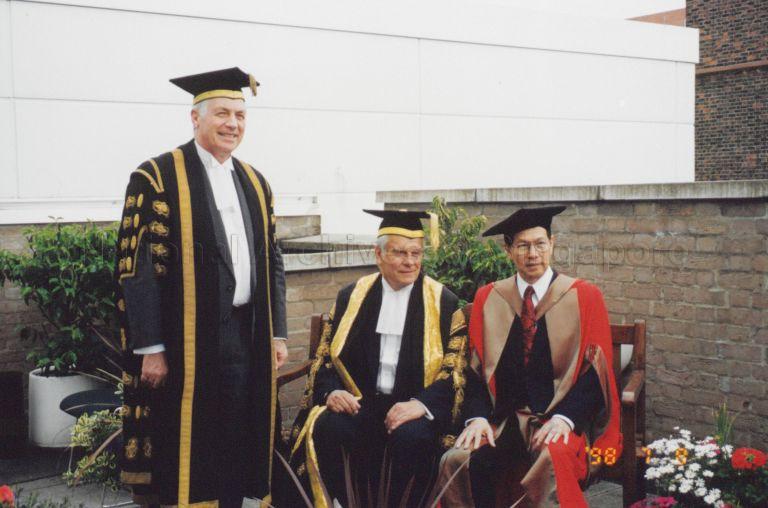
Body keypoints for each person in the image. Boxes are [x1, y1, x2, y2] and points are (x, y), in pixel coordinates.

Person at [114, 67, 288, 507]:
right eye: (223, 113)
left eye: (241, 116)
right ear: (196, 118)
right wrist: (151, 346)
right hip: (187, 337)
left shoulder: (255, 182)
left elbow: (273, 260)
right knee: (190, 440)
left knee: (238, 434)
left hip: (247, 330)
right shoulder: (157, 177)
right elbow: (137, 268)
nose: (233, 124)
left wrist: (278, 331)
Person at [437, 206, 622, 508]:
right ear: (508, 249)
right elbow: (475, 368)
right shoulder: (490, 297)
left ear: (553, 244)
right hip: (502, 421)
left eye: (540, 244)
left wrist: (566, 418)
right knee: (457, 459)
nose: (533, 254)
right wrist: (478, 417)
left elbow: (596, 371)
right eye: (523, 246)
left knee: (554, 457)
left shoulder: (584, 296)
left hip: (557, 419)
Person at [284, 210, 469, 508]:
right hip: (361, 403)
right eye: (399, 253)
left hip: (412, 406)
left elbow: (454, 373)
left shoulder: (443, 302)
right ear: (379, 254)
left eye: (416, 253)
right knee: (329, 428)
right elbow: (326, 361)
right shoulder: (351, 297)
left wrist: (419, 405)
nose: (410, 262)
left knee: (412, 438)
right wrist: (332, 392)